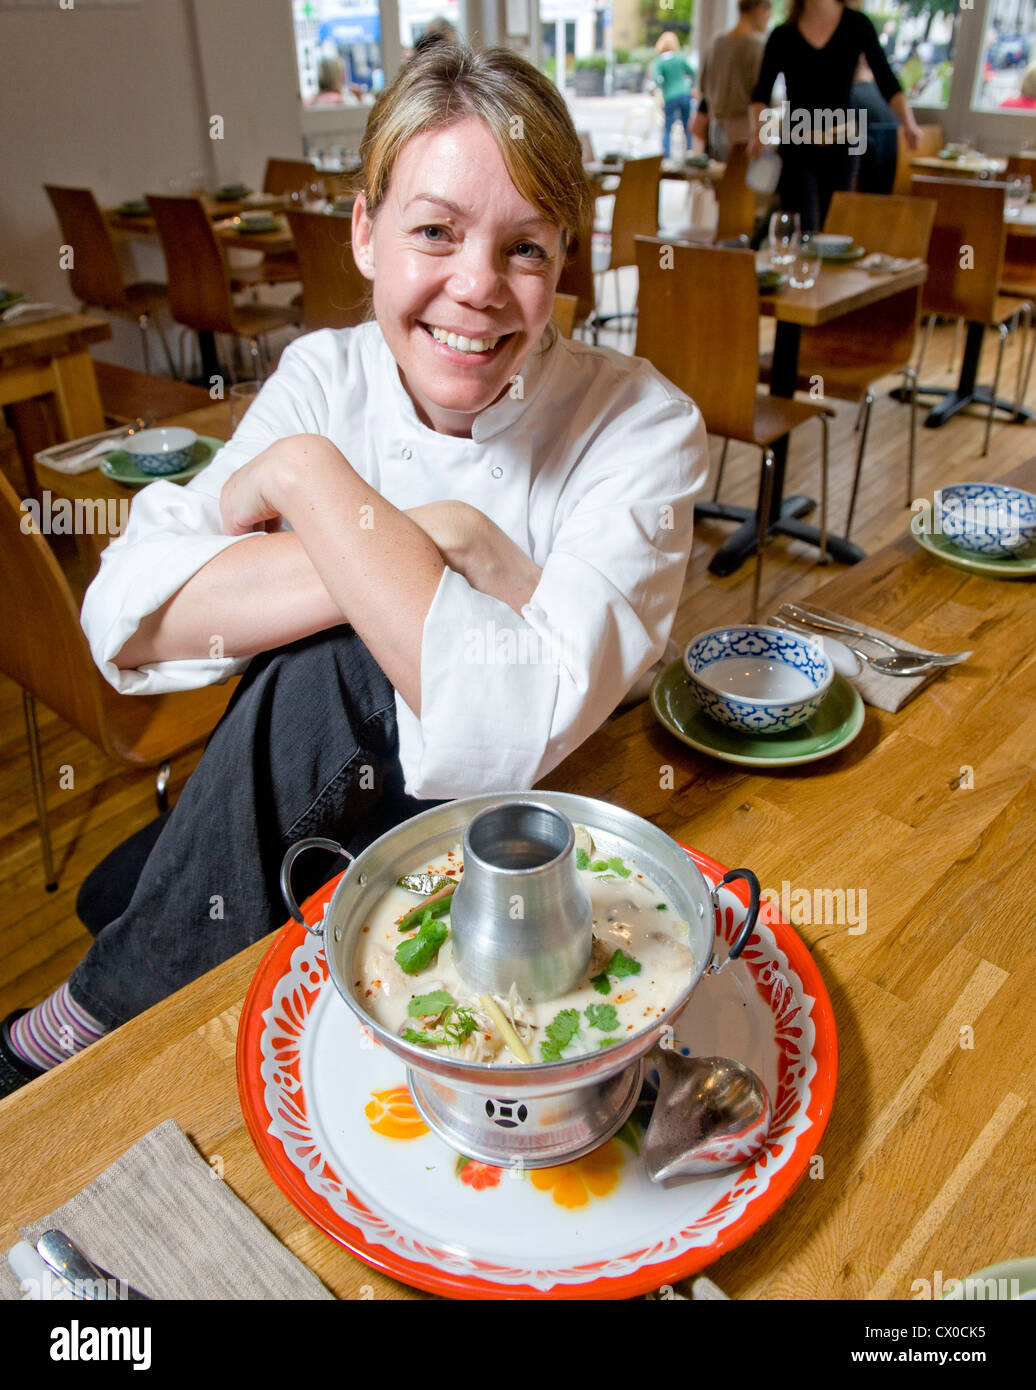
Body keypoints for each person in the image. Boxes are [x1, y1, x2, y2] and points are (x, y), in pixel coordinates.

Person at [0, 43, 707, 1096]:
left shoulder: (639, 423)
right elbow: (132, 615)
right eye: (434, 231)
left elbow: (513, 725)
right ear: (366, 234)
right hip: (330, 787)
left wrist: (311, 494)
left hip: (536, 830)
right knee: (336, 654)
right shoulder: (322, 378)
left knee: (332, 663)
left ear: (564, 260)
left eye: (523, 248)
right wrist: (443, 534)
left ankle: (86, 1011)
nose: (477, 288)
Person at [748, 0, 922, 230]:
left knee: (833, 228)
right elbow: (760, 92)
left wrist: (909, 124)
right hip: (797, 145)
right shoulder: (783, 34)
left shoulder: (857, 25)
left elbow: (887, 80)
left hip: (842, 146)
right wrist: (757, 133)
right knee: (804, 227)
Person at [692, 0, 771, 163]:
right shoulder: (757, 45)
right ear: (760, 9)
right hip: (744, 132)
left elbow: (705, 89)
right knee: (742, 185)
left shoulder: (717, 43)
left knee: (723, 185)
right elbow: (761, 94)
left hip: (717, 130)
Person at [652, 32, 695, 160]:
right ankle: (689, 152)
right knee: (687, 125)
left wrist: (664, 85)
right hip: (685, 94)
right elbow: (692, 72)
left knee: (667, 128)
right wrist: (690, 86)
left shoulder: (660, 62)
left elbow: (656, 79)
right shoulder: (680, 58)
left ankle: (666, 157)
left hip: (670, 96)